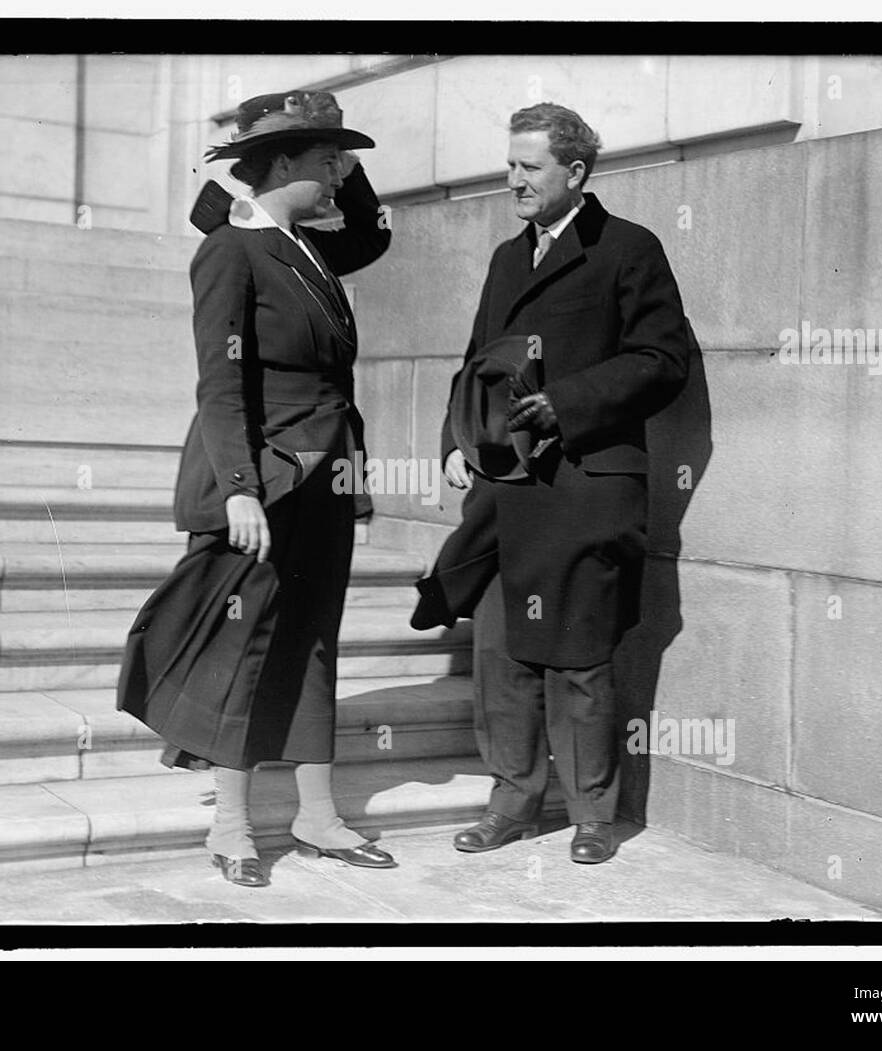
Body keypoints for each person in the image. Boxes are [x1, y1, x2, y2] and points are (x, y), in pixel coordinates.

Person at [117, 91, 395, 888]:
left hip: (324, 478)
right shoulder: (231, 252)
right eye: (323, 162)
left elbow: (366, 232)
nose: (338, 177)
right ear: (278, 165)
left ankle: (317, 814)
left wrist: (333, 134)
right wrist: (239, 488)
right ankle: (231, 822)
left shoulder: (309, 250)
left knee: (313, 641)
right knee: (244, 647)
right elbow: (220, 383)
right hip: (263, 482)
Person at [432, 102, 691, 865]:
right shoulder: (508, 257)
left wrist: (569, 403)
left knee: (578, 656)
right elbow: (476, 356)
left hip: (586, 481)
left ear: (575, 172)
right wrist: (452, 439)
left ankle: (592, 816)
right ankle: (511, 804)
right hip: (505, 487)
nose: (511, 180)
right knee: (502, 654)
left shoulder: (628, 249)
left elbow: (663, 359)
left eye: (528, 167)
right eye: (509, 165)